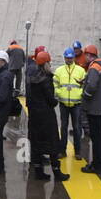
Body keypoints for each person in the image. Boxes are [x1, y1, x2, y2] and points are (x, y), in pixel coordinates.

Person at [25, 49, 68, 182]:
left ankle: (39, 172)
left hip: (35, 116)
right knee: (53, 144)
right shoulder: (46, 79)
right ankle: (57, 172)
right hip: (46, 116)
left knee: (37, 144)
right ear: (46, 63)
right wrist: (55, 102)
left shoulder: (32, 79)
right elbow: (50, 99)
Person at [80, 45, 101, 175]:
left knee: (96, 138)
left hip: (93, 108)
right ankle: (98, 163)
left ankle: (97, 165)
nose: (84, 57)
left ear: (89, 55)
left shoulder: (94, 67)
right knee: (98, 137)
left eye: (85, 55)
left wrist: (85, 95)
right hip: (99, 107)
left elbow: (92, 86)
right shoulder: (100, 66)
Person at [53, 48, 86, 158]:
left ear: (74, 58)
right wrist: (60, 93)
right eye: (67, 58)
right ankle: (62, 151)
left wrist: (80, 94)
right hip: (63, 103)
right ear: (64, 58)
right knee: (63, 127)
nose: (69, 60)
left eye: (71, 58)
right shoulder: (59, 71)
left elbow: (84, 85)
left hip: (76, 104)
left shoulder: (80, 70)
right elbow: (55, 84)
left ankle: (78, 152)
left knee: (77, 128)